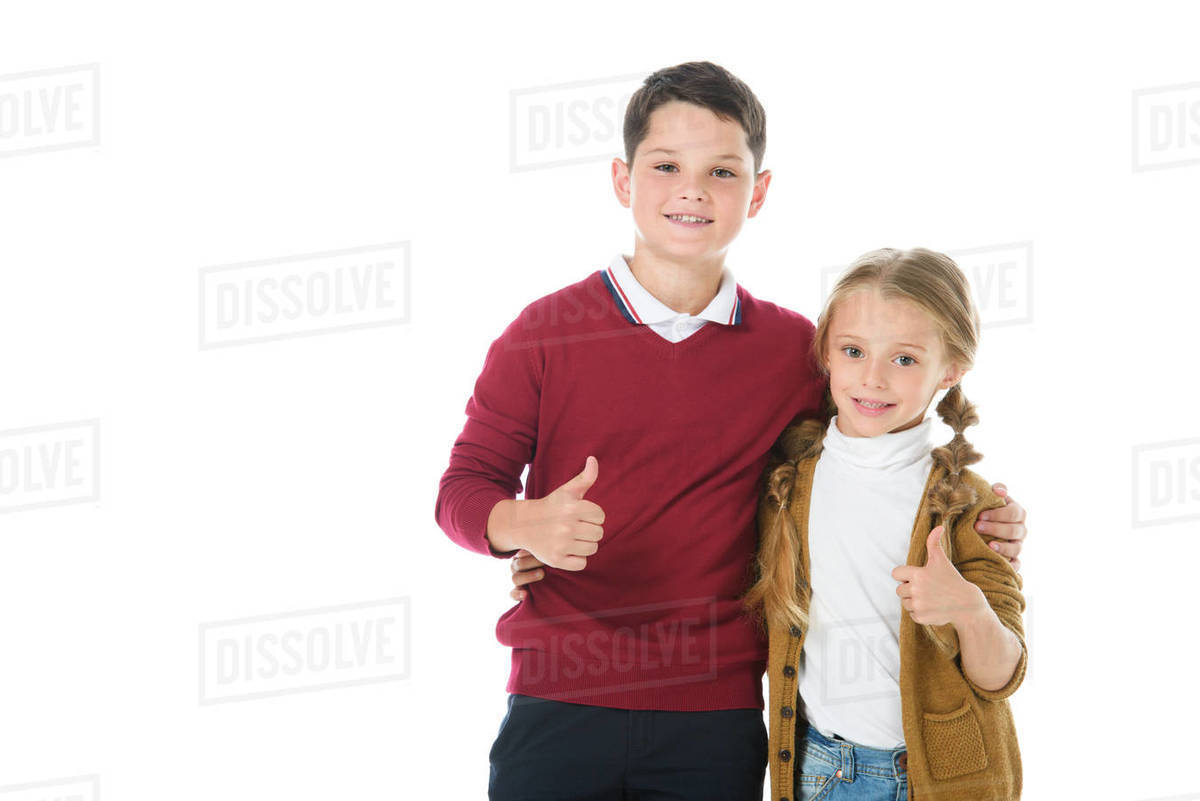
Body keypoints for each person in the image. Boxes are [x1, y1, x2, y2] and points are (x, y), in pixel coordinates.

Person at [441, 61, 1028, 801]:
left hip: (715, 714)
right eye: (666, 166)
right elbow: (463, 488)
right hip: (559, 698)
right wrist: (519, 523)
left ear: (759, 191)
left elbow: (875, 446)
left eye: (722, 170)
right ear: (623, 181)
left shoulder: (798, 352)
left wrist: (986, 519)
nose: (692, 189)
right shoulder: (541, 334)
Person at [745, 247, 1027, 800]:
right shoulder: (786, 483)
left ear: (950, 369)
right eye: (853, 351)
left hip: (942, 779)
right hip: (817, 769)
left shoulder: (966, 504)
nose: (872, 379)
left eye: (904, 360)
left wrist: (968, 609)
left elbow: (1002, 675)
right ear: (826, 352)